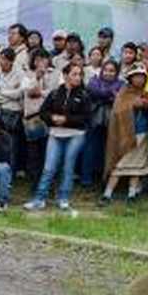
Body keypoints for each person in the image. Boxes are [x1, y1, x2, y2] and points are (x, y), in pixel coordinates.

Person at [24, 63, 91, 214]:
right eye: (74, 74)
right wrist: (52, 118)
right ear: (66, 75)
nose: (78, 77)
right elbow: (43, 112)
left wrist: (66, 120)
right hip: (55, 133)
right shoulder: (55, 93)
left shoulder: (84, 95)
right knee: (48, 168)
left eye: (80, 74)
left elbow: (86, 118)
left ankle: (63, 199)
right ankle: (39, 199)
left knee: (68, 168)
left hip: (75, 135)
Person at [102, 62, 148, 203]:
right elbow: (118, 111)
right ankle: (107, 194)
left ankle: (132, 194)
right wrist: (133, 104)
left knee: (137, 167)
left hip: (143, 134)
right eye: (136, 76)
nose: (139, 79)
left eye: (142, 76)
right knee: (119, 165)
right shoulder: (124, 92)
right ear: (130, 78)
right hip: (125, 135)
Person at [82, 59, 121, 188]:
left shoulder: (121, 83)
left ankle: (104, 179)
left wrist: (102, 96)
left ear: (116, 72)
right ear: (102, 71)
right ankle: (86, 178)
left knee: (107, 150)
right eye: (106, 70)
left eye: (112, 71)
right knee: (89, 149)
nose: (108, 73)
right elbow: (93, 91)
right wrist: (110, 95)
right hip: (94, 119)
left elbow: (119, 96)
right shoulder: (94, 80)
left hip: (112, 121)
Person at [22, 49, 58, 186]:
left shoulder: (56, 73)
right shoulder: (27, 74)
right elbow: (29, 91)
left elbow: (56, 93)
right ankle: (35, 182)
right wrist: (37, 77)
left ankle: (49, 182)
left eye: (43, 59)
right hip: (32, 118)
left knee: (48, 151)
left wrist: (41, 93)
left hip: (49, 117)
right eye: (37, 59)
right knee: (33, 152)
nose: (40, 62)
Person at [0, 48, 27, 169]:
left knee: (13, 144)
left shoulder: (20, 73)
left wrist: (2, 92)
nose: (3, 62)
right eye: (1, 59)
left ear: (12, 61)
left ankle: (12, 170)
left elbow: (19, 94)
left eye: (6, 59)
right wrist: (9, 95)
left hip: (14, 112)